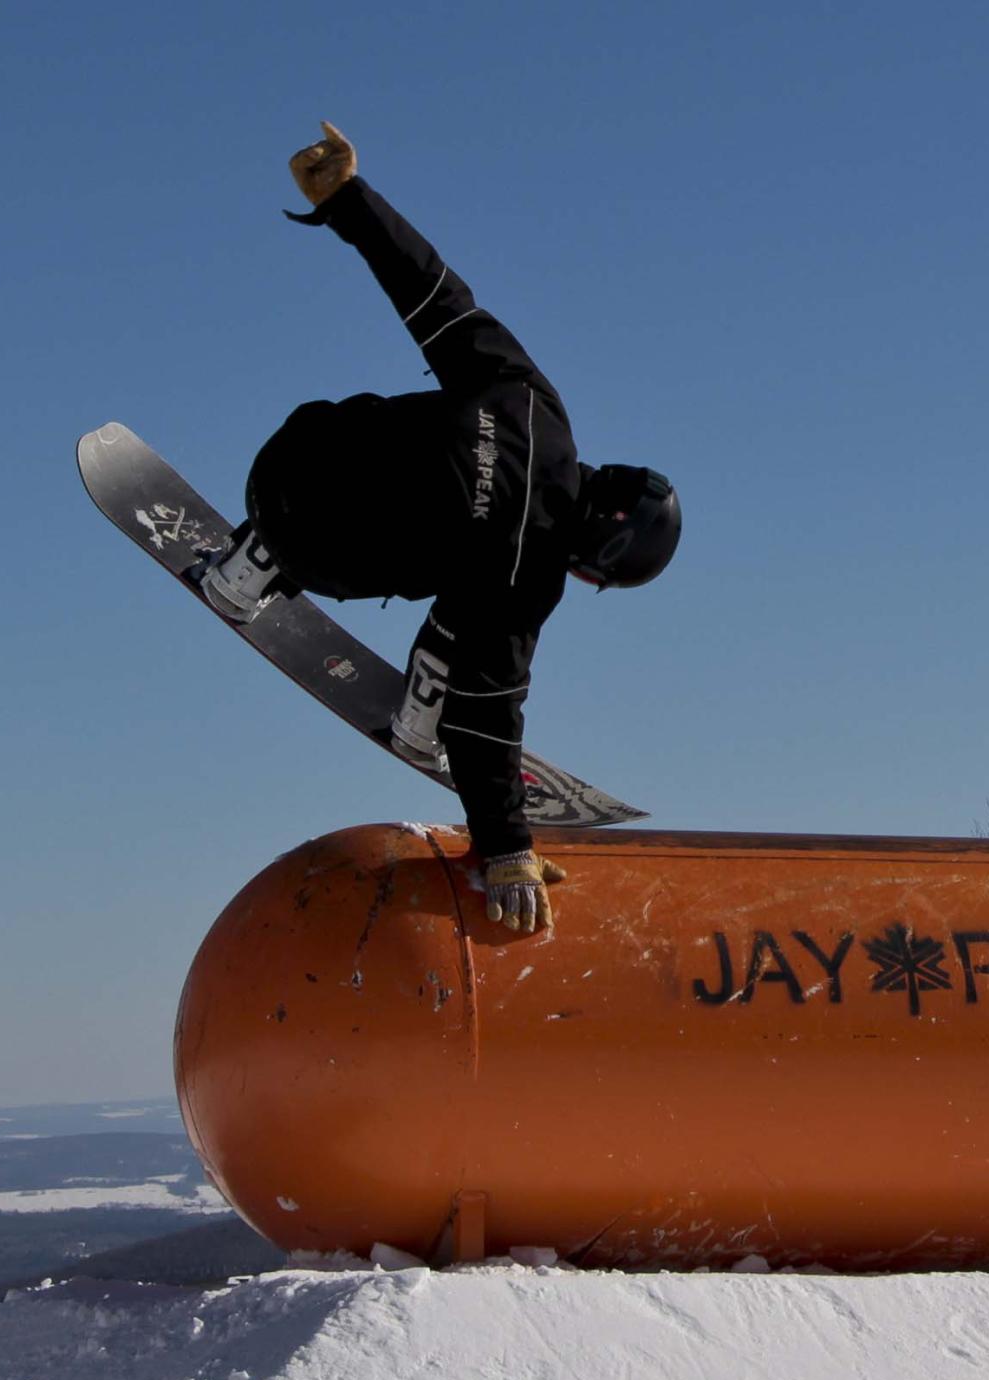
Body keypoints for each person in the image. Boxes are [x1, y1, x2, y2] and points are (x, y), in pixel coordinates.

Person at [197, 123, 680, 936]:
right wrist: (507, 849)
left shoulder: (534, 398)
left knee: (401, 469)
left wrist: (347, 197)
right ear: (599, 552)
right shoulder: (532, 576)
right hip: (328, 556)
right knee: (469, 603)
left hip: (281, 464)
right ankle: (421, 700)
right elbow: (488, 721)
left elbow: (431, 292)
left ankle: (245, 564)